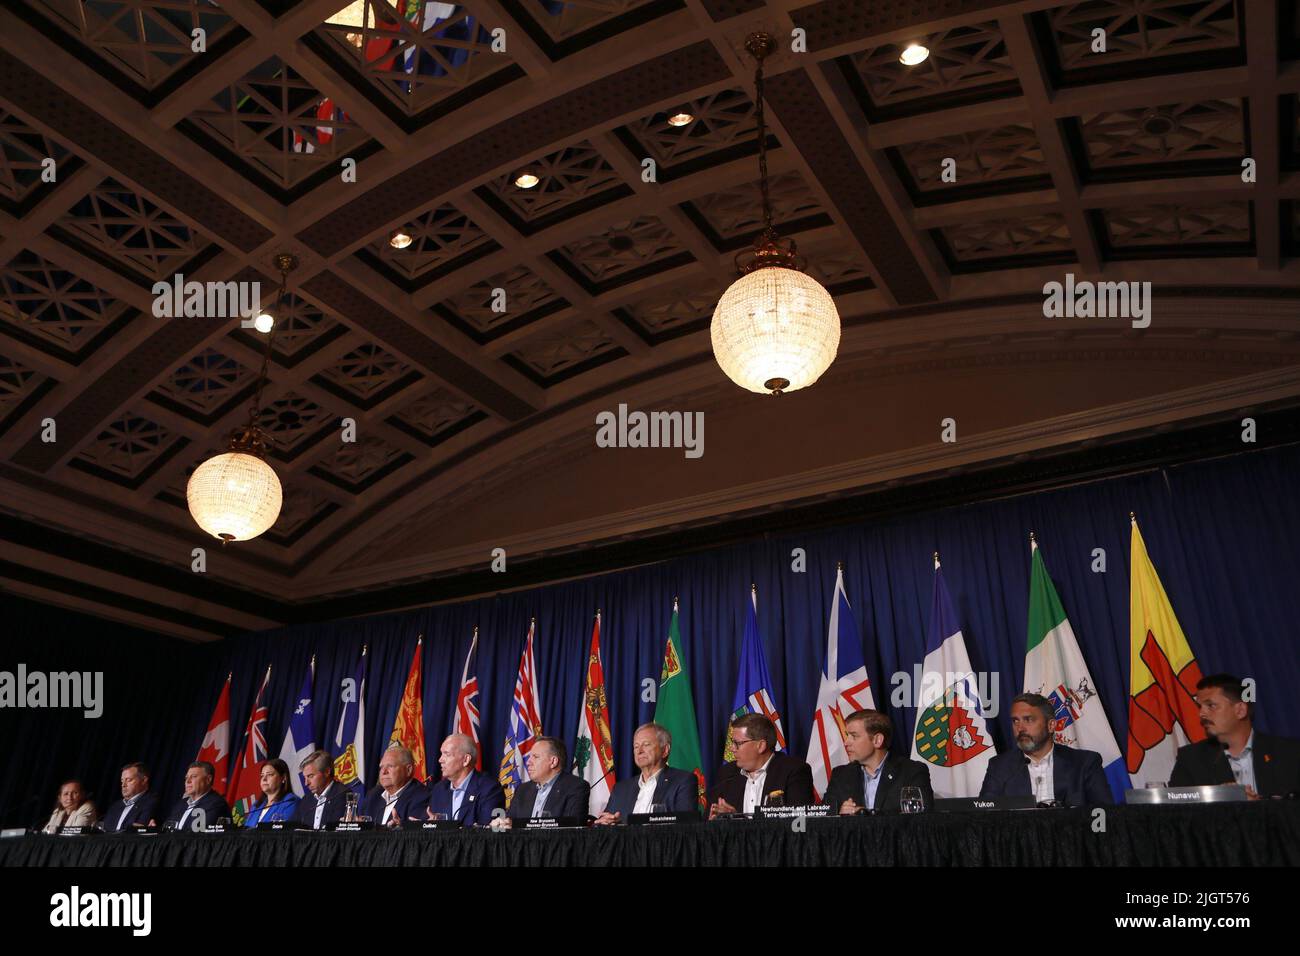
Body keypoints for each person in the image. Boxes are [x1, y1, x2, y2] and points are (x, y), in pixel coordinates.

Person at [1170, 673, 1300, 798]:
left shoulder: (1290, 753)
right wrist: (1222, 803)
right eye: (1200, 707)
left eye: (1211, 705)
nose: (1201, 714)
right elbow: (1175, 814)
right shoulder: (1191, 759)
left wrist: (1257, 808)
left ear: (1240, 710)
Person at [979, 693, 1112, 805]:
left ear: (1051, 725)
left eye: (1028, 720)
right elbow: (984, 816)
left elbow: (1103, 815)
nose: (1020, 728)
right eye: (1015, 721)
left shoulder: (1084, 764)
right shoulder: (1000, 767)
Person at [823, 709, 934, 813]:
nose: (846, 743)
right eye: (847, 736)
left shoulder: (912, 772)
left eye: (854, 736)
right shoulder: (840, 775)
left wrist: (866, 816)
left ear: (877, 740)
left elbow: (922, 820)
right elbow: (822, 819)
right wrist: (839, 815)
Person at [709, 713, 815, 816]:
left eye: (737, 743)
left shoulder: (794, 771)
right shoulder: (727, 773)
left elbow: (799, 824)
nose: (732, 749)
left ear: (761, 746)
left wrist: (735, 819)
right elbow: (706, 823)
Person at [596, 722, 699, 824]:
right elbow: (604, 826)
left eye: (646, 744)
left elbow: (686, 827)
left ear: (665, 750)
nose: (639, 751)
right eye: (636, 746)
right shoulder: (621, 789)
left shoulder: (683, 782)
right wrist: (606, 823)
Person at [426, 734, 504, 826]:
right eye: (441, 754)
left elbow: (490, 831)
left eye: (447, 754)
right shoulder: (439, 790)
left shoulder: (489, 789)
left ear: (466, 760)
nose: (440, 760)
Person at [506, 737, 590, 820]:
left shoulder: (576, 788)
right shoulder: (522, 790)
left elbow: (572, 828)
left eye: (535, 757)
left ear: (553, 762)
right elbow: (510, 823)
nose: (528, 762)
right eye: (529, 757)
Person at [361, 744, 429, 826]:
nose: (384, 772)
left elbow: (417, 833)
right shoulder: (373, 795)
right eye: (381, 767)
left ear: (408, 770)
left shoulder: (422, 797)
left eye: (390, 766)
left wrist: (402, 827)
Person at [162, 761, 231, 830]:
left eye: (194, 776)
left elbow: (198, 833)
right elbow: (167, 829)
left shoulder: (216, 804)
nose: (188, 781)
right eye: (186, 778)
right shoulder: (180, 805)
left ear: (208, 779)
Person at [294, 750, 351, 828]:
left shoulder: (342, 795)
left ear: (327, 772)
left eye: (310, 776)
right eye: (305, 777)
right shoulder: (307, 799)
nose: (306, 783)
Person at [101, 761, 158, 832]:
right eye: (122, 781)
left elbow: (136, 829)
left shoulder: (151, 802)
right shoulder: (115, 806)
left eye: (128, 780)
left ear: (143, 780)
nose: (123, 785)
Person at [242, 758, 301, 826]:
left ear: (283, 778)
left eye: (269, 775)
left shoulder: (290, 802)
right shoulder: (256, 806)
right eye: (262, 775)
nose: (264, 779)